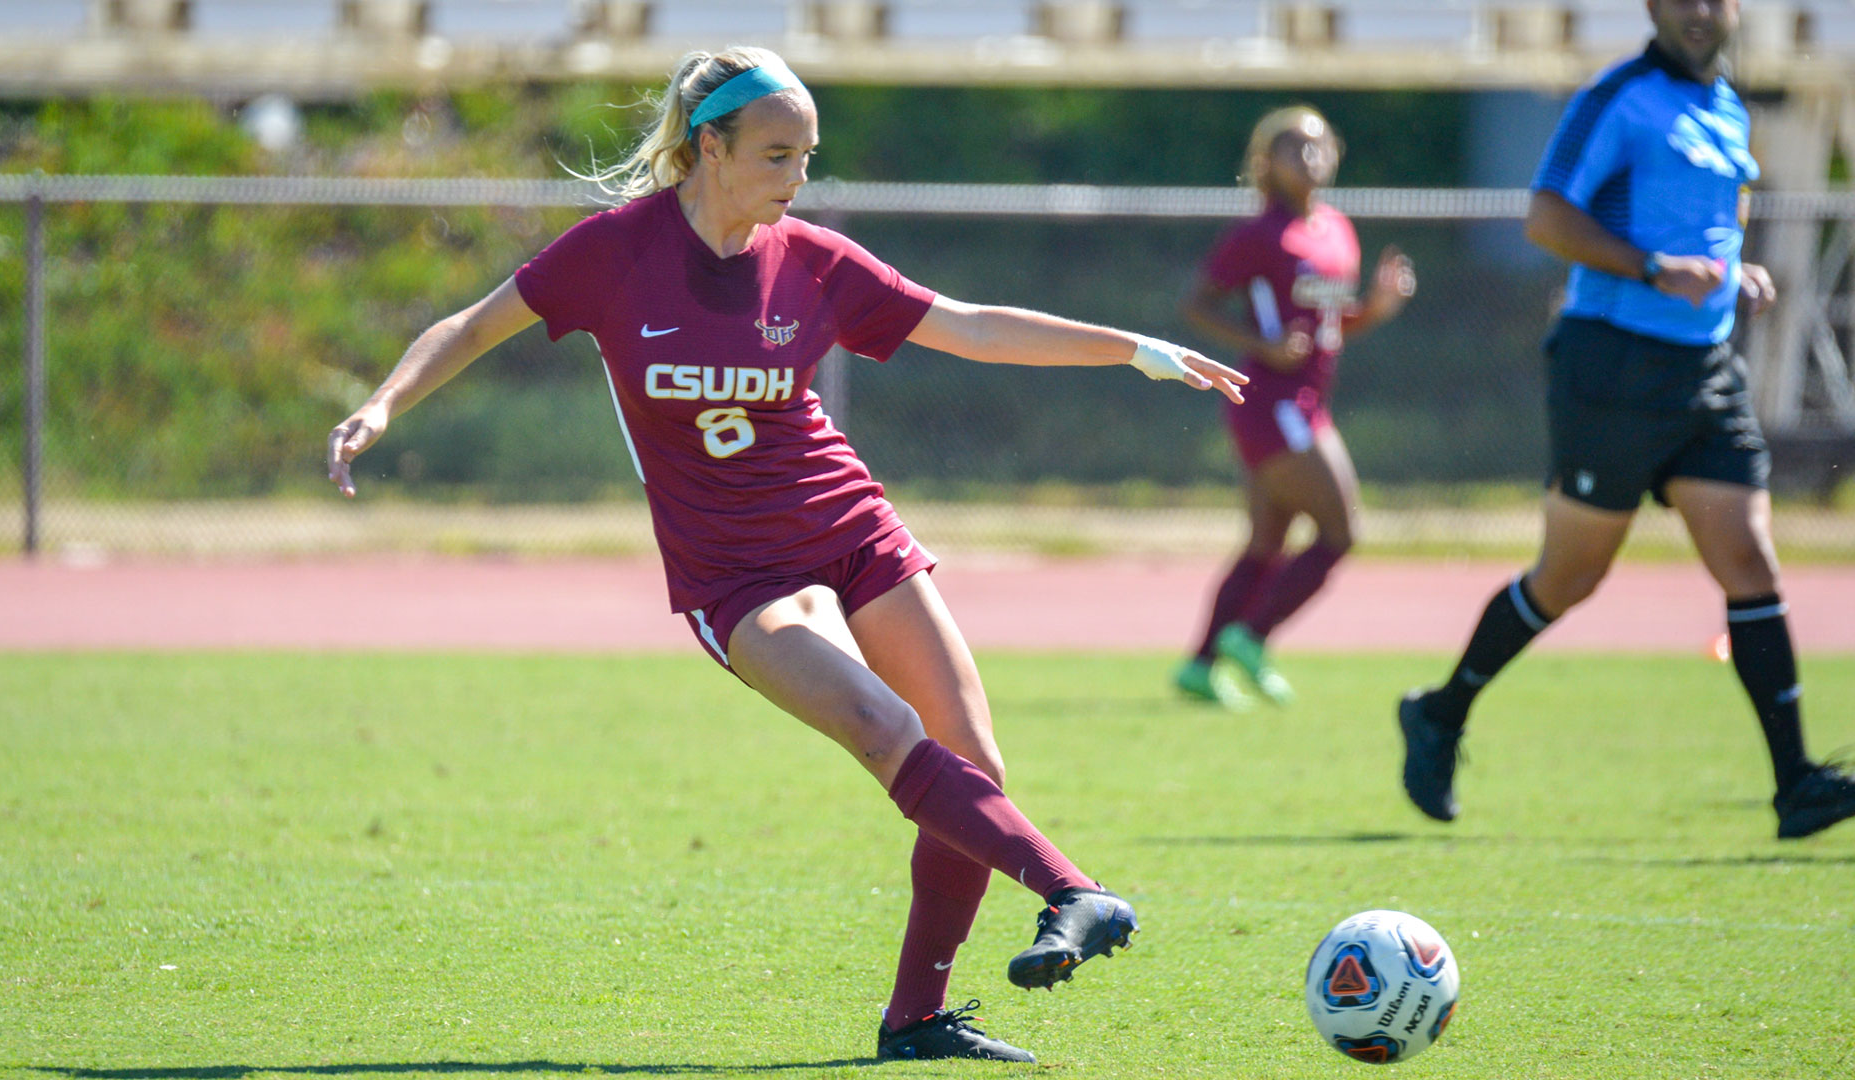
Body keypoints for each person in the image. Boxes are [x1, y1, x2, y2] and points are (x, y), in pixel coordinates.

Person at [327, 47, 1249, 1062]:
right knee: (880, 724)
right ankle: (1076, 892)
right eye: (776, 153)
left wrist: (1130, 348)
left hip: (850, 531)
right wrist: (381, 404)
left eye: (806, 154)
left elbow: (972, 327)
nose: (796, 175)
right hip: (736, 577)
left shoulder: (812, 259)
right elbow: (469, 326)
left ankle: (919, 1020)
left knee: (974, 760)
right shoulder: (612, 253)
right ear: (707, 147)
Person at [1397, 0, 1855, 840]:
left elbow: (1715, 219)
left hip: (1707, 371)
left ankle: (1796, 783)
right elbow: (1546, 216)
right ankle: (1440, 710)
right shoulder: (1618, 97)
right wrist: (1650, 267)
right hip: (1611, 366)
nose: (1695, 10)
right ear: (1650, 6)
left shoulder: (1725, 105)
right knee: (1570, 577)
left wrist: (1732, 269)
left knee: (1751, 561)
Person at [1172, 106, 1414, 708]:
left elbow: (1329, 324)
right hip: (1271, 403)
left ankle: (1201, 666)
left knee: (1265, 543)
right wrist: (1263, 347)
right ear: (1266, 164)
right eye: (1293, 148)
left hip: (1307, 400)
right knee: (1342, 531)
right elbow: (1196, 306)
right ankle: (1249, 638)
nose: (1309, 157)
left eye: (1318, 146)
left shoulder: (1335, 229)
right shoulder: (1260, 235)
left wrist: (1378, 309)